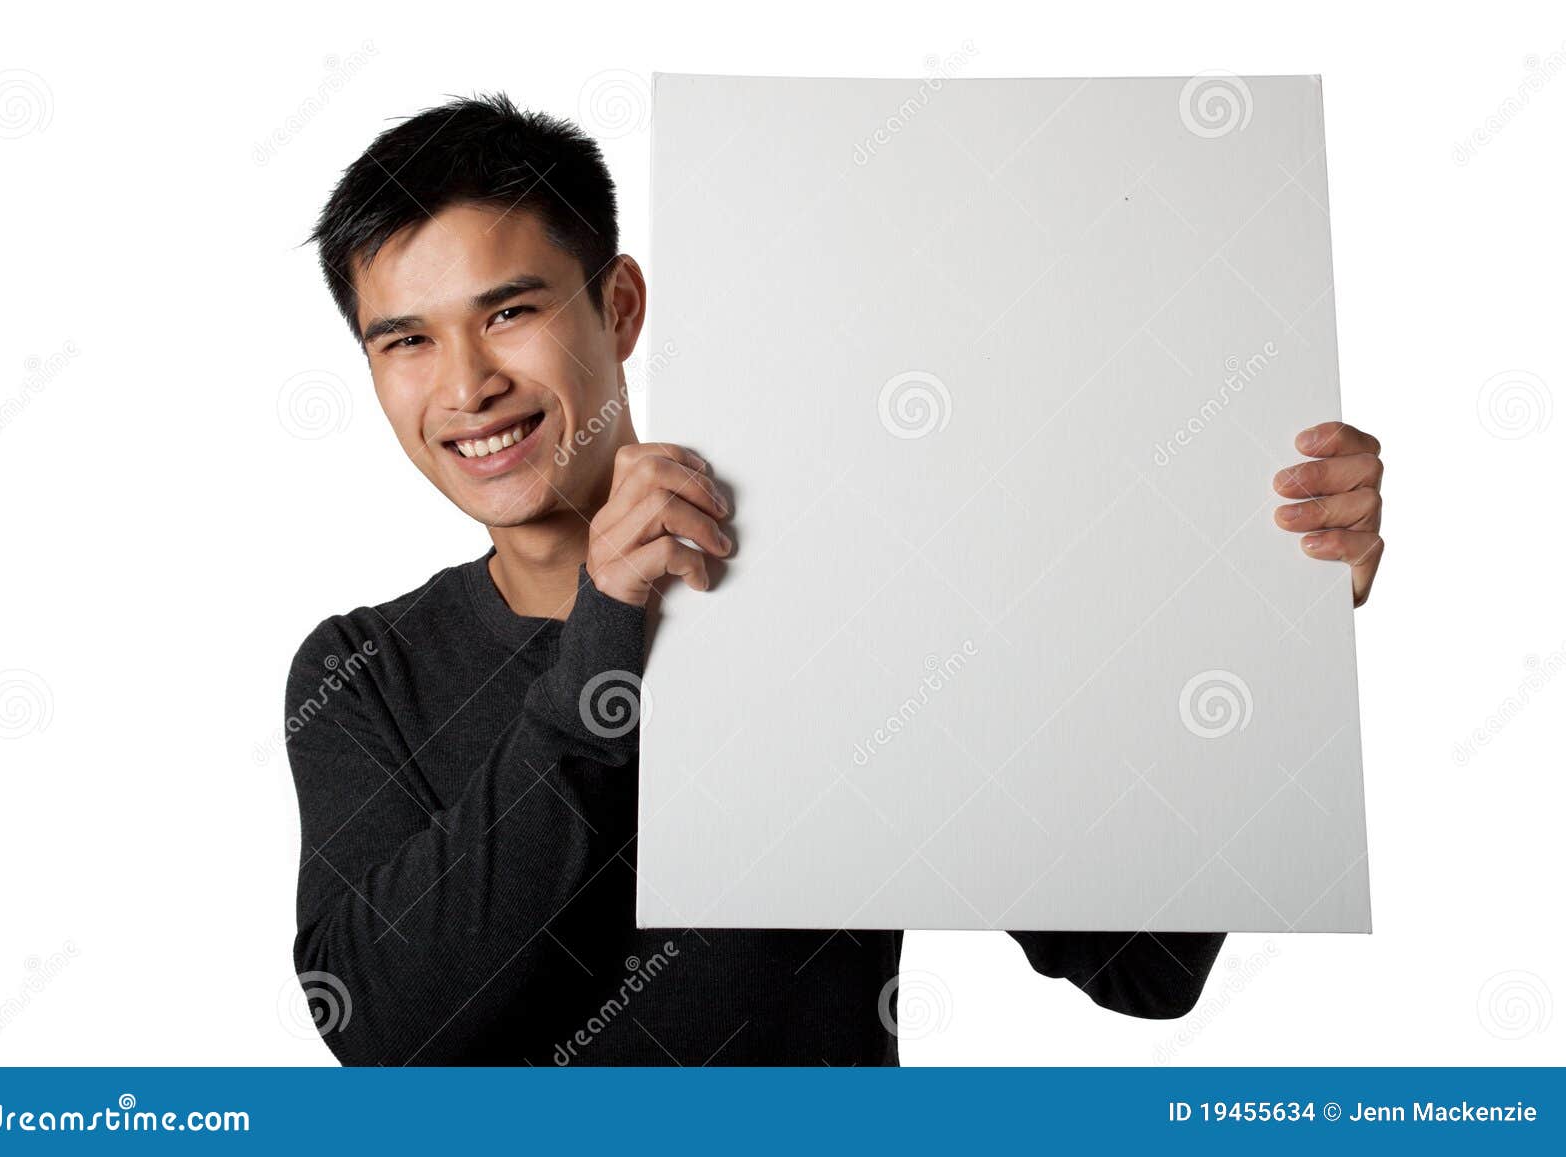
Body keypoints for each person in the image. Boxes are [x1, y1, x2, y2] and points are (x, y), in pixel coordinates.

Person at [286, 92, 1386, 1066]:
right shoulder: (364, 671)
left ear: (617, 306)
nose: (468, 384)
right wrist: (602, 637)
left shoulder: (827, 605)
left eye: (509, 311)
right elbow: (392, 1033)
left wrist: (1266, 618)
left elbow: (1142, 960)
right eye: (406, 342)